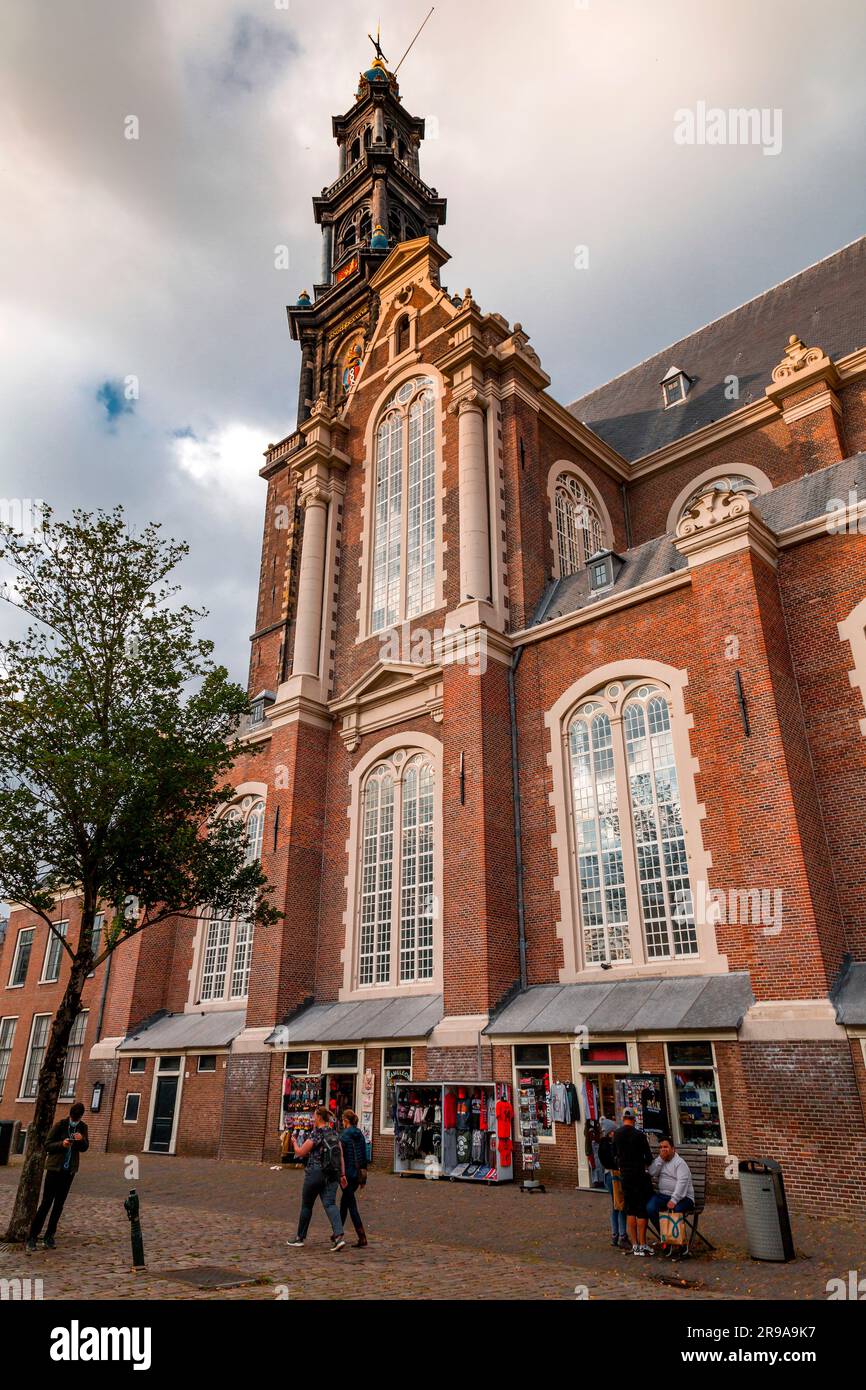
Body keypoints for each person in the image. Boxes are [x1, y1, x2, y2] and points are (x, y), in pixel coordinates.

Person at [26, 1100, 89, 1251]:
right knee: (46, 1202)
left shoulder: (83, 1127)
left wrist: (81, 1140)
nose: (75, 1121)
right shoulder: (60, 1125)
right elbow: (47, 1145)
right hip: (54, 1169)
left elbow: (85, 1147)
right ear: (71, 1115)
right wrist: (62, 1144)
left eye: (77, 1119)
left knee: (59, 1205)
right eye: (74, 1118)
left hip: (69, 1171)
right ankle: (32, 1237)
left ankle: (49, 1236)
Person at [286, 1105, 347, 1251]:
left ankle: (300, 1238)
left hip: (315, 1172)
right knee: (330, 1204)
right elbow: (341, 1156)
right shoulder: (334, 1133)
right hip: (332, 1175)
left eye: (314, 1116)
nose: (313, 1119)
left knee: (307, 1205)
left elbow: (301, 1152)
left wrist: (294, 1142)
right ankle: (338, 1237)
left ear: (318, 1117)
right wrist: (342, 1175)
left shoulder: (316, 1134)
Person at [614, 1106, 654, 1257]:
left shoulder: (617, 1135)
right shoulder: (639, 1135)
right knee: (641, 1210)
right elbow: (648, 1158)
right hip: (639, 1176)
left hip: (625, 1176)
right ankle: (643, 1244)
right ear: (634, 1119)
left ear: (623, 1118)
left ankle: (635, 1245)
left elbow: (615, 1155)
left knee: (630, 1209)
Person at [647, 1137, 695, 1260]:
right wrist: (660, 1160)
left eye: (666, 1147)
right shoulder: (660, 1160)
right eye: (661, 1147)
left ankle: (682, 1248)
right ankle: (666, 1238)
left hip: (683, 1197)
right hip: (663, 1195)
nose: (663, 1150)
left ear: (673, 1149)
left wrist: (674, 1200)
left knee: (676, 1211)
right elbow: (652, 1172)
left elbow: (682, 1182)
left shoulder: (680, 1163)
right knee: (651, 1208)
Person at [597, 1117, 629, 1249]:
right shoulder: (609, 1145)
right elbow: (614, 1160)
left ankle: (615, 1234)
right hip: (614, 1176)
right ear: (611, 1132)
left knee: (615, 1205)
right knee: (620, 1205)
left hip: (608, 1176)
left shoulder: (603, 1145)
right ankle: (622, 1235)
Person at [339, 1108, 369, 1248]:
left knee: (351, 1205)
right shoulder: (361, 1135)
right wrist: (363, 1178)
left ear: (346, 1121)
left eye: (343, 1121)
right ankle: (337, 1233)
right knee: (344, 1204)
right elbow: (364, 1156)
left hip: (348, 1175)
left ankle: (362, 1236)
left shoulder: (344, 1136)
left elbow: (341, 1157)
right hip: (357, 1175)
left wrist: (341, 1174)